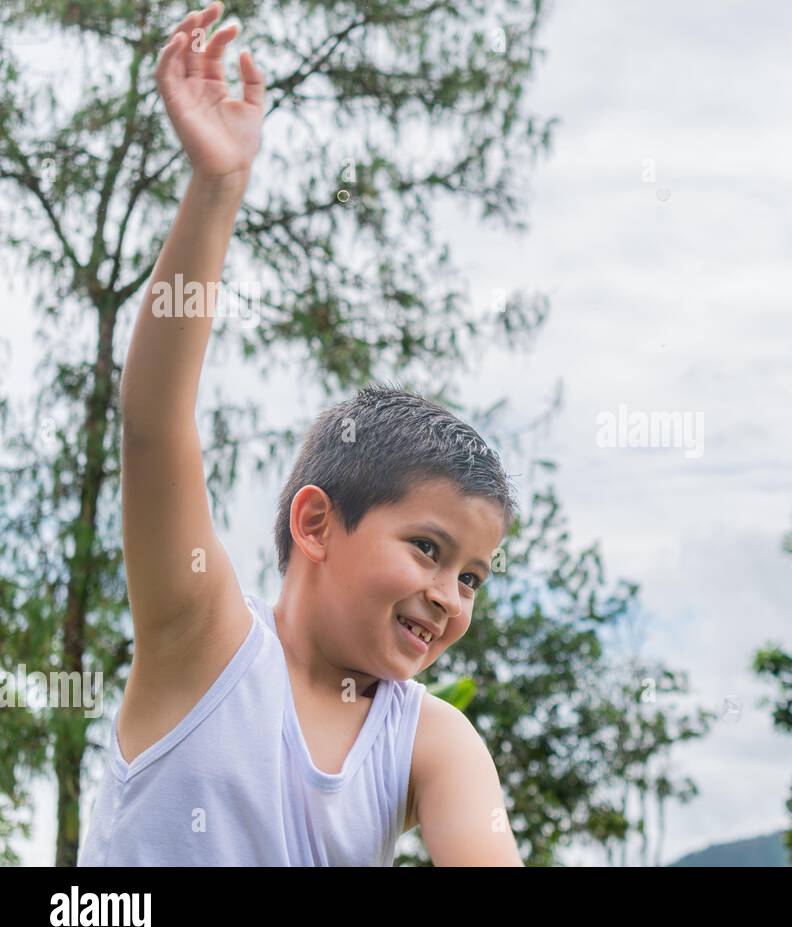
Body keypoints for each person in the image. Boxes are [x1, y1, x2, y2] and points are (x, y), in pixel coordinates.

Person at [78, 1, 524, 866]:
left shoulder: (430, 740)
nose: (449, 597)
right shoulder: (203, 643)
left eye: (471, 576)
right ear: (315, 523)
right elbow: (153, 422)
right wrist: (218, 188)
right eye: (428, 549)